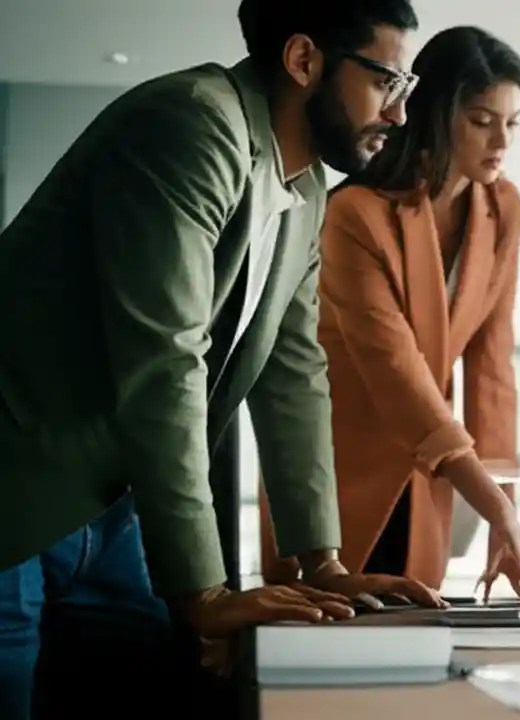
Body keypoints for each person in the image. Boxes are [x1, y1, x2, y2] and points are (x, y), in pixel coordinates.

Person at [0, 1, 445, 717]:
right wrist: (204, 592)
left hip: (112, 505)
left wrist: (321, 561)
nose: (397, 114)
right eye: (389, 81)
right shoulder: (192, 124)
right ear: (304, 61)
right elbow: (164, 362)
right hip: (17, 488)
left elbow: (293, 372)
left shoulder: (304, 191)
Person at [260, 26, 520, 602]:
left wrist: (506, 521)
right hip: (340, 473)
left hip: (432, 476)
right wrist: (493, 506)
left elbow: (493, 372)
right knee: (330, 650)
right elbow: (396, 373)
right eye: (481, 120)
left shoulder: (504, 208)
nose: (501, 141)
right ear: (437, 113)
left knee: (417, 638)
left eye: (513, 123)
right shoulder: (354, 214)